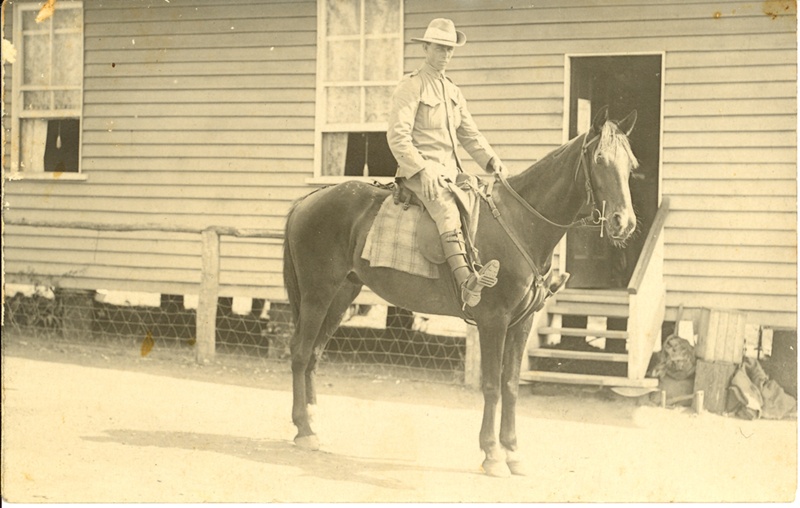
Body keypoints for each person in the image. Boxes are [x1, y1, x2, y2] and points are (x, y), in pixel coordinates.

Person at [387, 18, 508, 309]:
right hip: (420, 172)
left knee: (485, 203)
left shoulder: (453, 90)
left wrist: (491, 160)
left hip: (450, 173)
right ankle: (467, 282)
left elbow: (469, 134)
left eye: (450, 49)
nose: (445, 55)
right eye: (440, 48)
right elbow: (397, 136)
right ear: (426, 48)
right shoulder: (411, 85)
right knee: (445, 208)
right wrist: (422, 168)